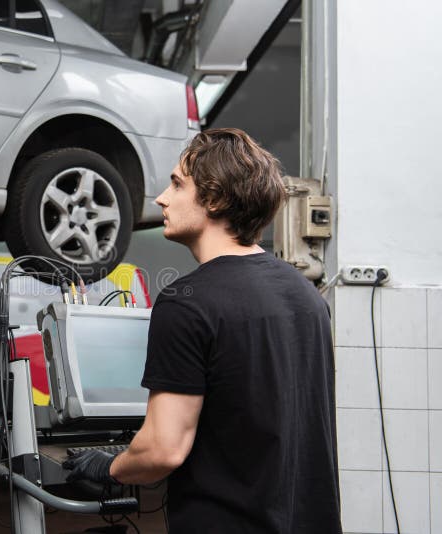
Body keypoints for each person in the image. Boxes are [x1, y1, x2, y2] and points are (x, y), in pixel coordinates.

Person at [63, 128, 342, 533]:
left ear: (214, 199)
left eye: (177, 184)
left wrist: (110, 466)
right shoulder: (305, 293)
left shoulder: (186, 302)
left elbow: (162, 449)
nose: (162, 197)